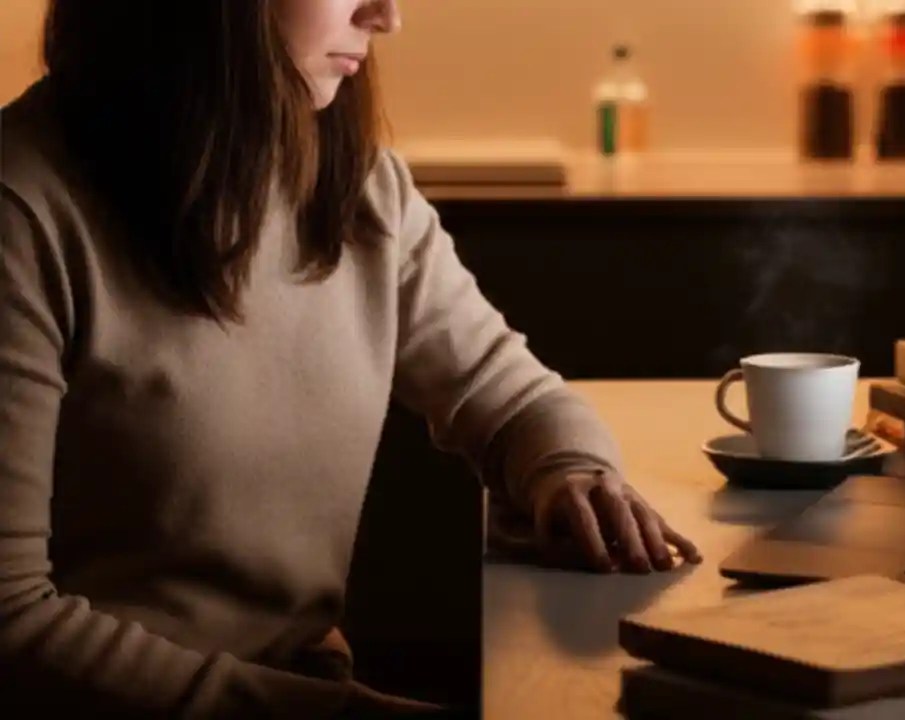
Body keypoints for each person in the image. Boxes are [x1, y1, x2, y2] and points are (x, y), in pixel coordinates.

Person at [0, 0, 701, 716]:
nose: (386, 15)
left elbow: (513, 397)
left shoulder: (361, 189)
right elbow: (12, 625)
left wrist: (569, 471)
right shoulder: (22, 211)